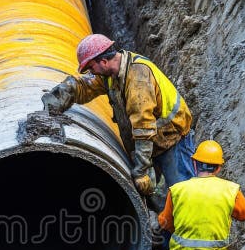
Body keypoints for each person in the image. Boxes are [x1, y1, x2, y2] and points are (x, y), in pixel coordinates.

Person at [41, 34, 196, 198]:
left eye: (91, 67)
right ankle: (165, 220)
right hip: (151, 142)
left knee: (184, 194)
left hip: (171, 141)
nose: (91, 72)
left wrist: (141, 170)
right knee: (154, 196)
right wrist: (58, 97)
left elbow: (143, 127)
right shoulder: (111, 75)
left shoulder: (137, 77)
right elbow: (85, 87)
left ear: (103, 61)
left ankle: (196, 221)